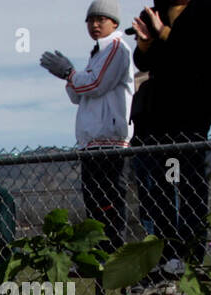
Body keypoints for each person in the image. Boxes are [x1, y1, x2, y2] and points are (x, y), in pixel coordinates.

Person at [130, 0, 211, 275]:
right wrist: (146, 43)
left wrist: (163, 32)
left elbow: (197, 53)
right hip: (158, 113)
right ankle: (166, 254)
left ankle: (191, 255)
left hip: (192, 110)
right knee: (159, 187)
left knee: (189, 183)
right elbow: (145, 62)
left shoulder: (209, 9)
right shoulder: (158, 11)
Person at [39, 0, 135, 251]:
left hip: (111, 139)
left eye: (101, 19)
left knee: (110, 199)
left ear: (114, 23)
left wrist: (70, 73)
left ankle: (113, 249)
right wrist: (70, 77)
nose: (94, 24)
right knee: (94, 200)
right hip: (92, 140)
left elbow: (95, 84)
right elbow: (78, 95)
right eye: (91, 20)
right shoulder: (98, 54)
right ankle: (98, 249)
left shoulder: (116, 48)